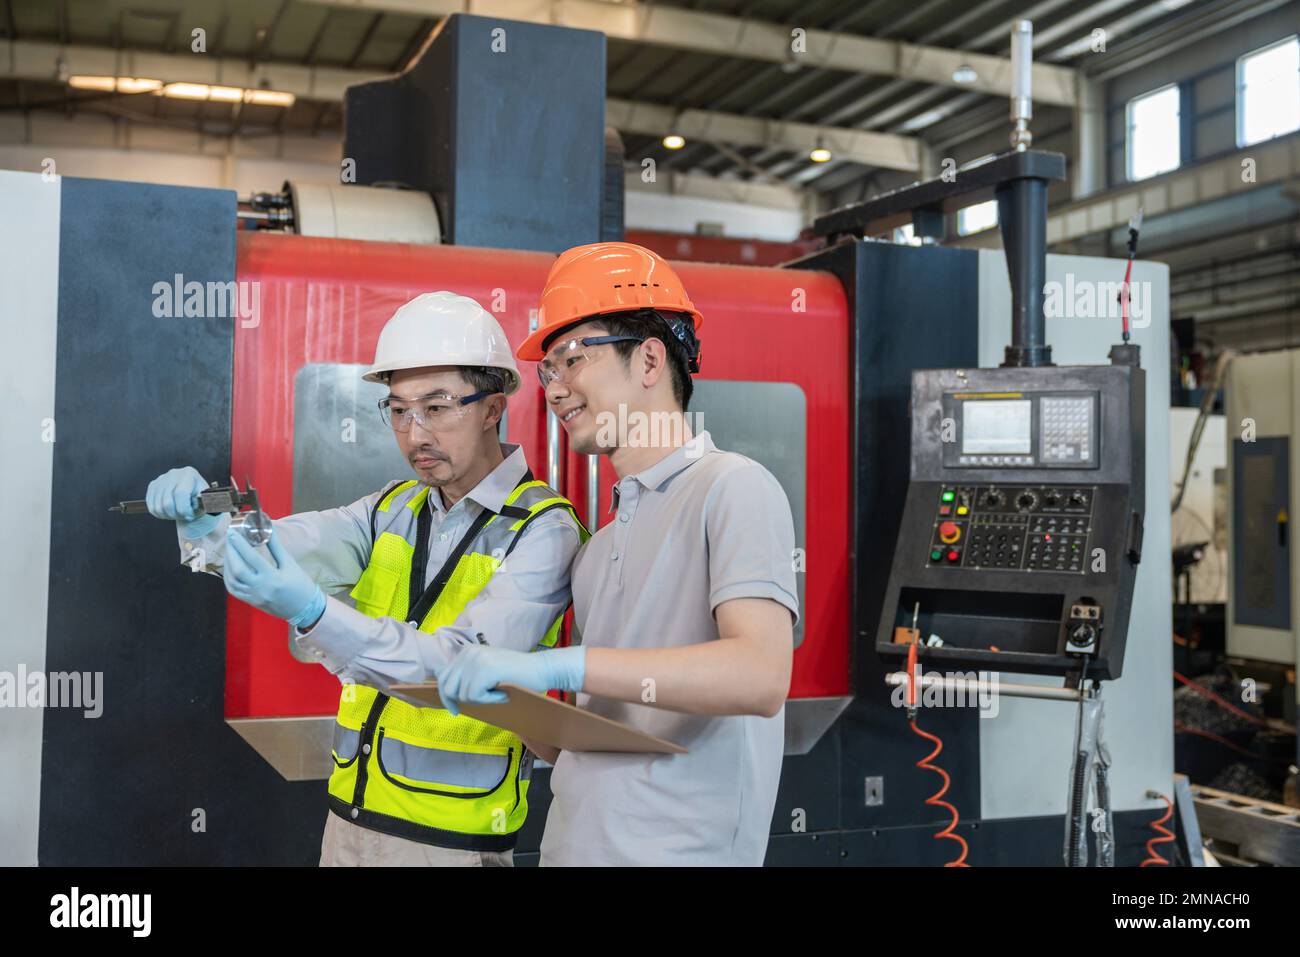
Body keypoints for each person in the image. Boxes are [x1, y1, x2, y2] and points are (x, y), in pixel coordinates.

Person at [144, 291, 585, 866]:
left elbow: (456, 670)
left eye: (438, 406)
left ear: (493, 407)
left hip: (452, 843)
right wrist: (207, 524)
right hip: (348, 824)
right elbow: (277, 547)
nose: (415, 434)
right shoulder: (389, 509)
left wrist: (314, 614)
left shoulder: (545, 530)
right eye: (399, 410)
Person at [436, 243, 799, 865]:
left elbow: (761, 676)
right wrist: (505, 699)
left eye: (571, 360)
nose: (555, 388)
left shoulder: (732, 487)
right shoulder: (597, 545)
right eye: (548, 371)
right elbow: (590, 739)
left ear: (651, 358)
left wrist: (556, 666)